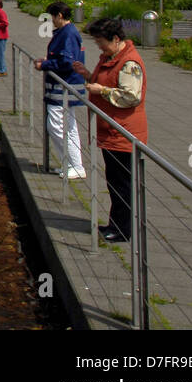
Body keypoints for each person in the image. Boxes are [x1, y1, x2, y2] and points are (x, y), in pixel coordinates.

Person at [72, 18, 148, 244]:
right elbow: (107, 80)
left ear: (116, 39)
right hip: (111, 131)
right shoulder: (112, 57)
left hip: (123, 132)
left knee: (122, 183)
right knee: (114, 181)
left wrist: (101, 90)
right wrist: (88, 75)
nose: (98, 46)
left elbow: (131, 96)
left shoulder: (129, 63)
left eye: (101, 41)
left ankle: (123, 230)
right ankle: (115, 223)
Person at [34, 0, 86, 178]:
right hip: (64, 86)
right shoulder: (64, 32)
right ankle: (72, 164)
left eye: (52, 17)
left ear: (60, 16)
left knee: (55, 125)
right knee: (68, 126)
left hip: (63, 86)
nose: (50, 21)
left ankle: (74, 164)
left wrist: (45, 64)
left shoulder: (68, 33)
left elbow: (67, 61)